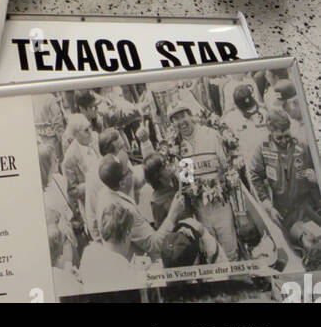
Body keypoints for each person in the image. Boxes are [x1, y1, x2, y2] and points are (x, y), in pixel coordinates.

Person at [169, 92, 239, 261]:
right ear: (172, 124)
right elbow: (187, 183)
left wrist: (241, 211)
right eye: (175, 119)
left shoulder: (210, 135)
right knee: (211, 254)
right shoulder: (178, 148)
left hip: (221, 206)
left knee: (230, 252)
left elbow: (231, 171)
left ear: (190, 115)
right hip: (201, 211)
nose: (181, 122)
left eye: (183, 115)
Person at [94, 154, 185, 261]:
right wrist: (173, 214)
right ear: (122, 183)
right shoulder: (125, 210)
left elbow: (143, 175)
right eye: (128, 170)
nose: (132, 172)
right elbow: (154, 244)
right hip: (137, 262)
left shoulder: (108, 187)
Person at [249, 108, 321, 237]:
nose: (283, 141)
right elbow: (255, 175)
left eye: (287, 136)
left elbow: (317, 169)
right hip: (281, 213)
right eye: (279, 138)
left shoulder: (302, 146)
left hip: (306, 209)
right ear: (270, 132)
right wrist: (267, 204)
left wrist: (317, 178)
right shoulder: (263, 150)